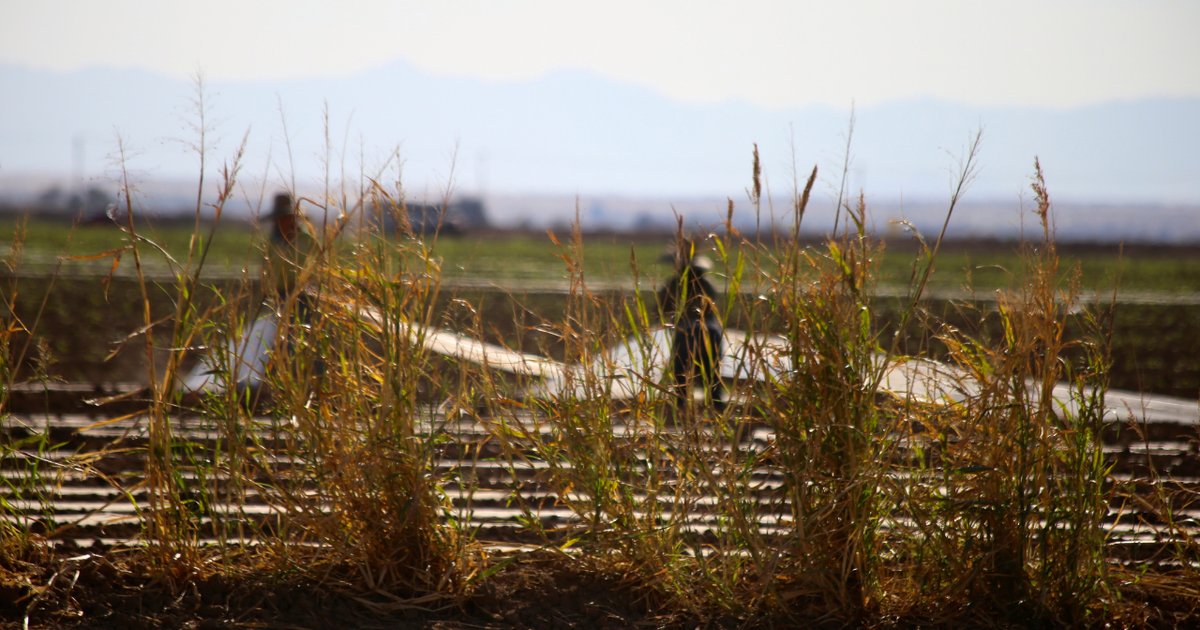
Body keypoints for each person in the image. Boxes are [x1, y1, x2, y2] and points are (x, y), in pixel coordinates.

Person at [658, 239, 725, 410]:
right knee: (712, 374)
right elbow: (714, 303)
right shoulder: (707, 283)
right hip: (710, 330)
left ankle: (681, 410)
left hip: (685, 331)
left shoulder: (674, 283)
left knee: (681, 374)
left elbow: (661, 306)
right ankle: (717, 410)